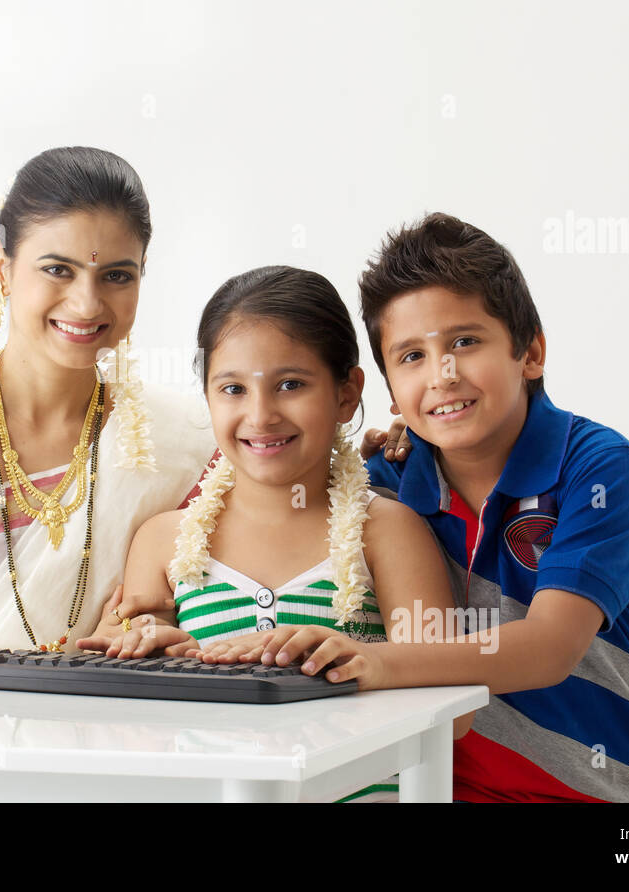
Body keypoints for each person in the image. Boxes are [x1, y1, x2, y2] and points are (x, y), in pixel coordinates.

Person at [207, 213, 629, 802]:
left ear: (531, 352)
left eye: (464, 342)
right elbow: (245, 497)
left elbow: (547, 649)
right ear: (387, 387)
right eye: (411, 356)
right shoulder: (383, 481)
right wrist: (141, 610)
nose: (442, 375)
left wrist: (377, 661)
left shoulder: (595, 467)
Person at [78, 266, 471, 800]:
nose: (260, 415)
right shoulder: (163, 539)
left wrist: (328, 667)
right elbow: (126, 712)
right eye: (233, 388)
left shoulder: (388, 532)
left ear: (346, 394)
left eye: (290, 384)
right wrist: (147, 651)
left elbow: (453, 716)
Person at [0, 147, 216, 658]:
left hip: (127, 729)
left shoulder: (186, 444)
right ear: (3, 268)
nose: (86, 303)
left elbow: (222, 622)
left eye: (118, 275)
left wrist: (151, 630)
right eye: (58, 269)